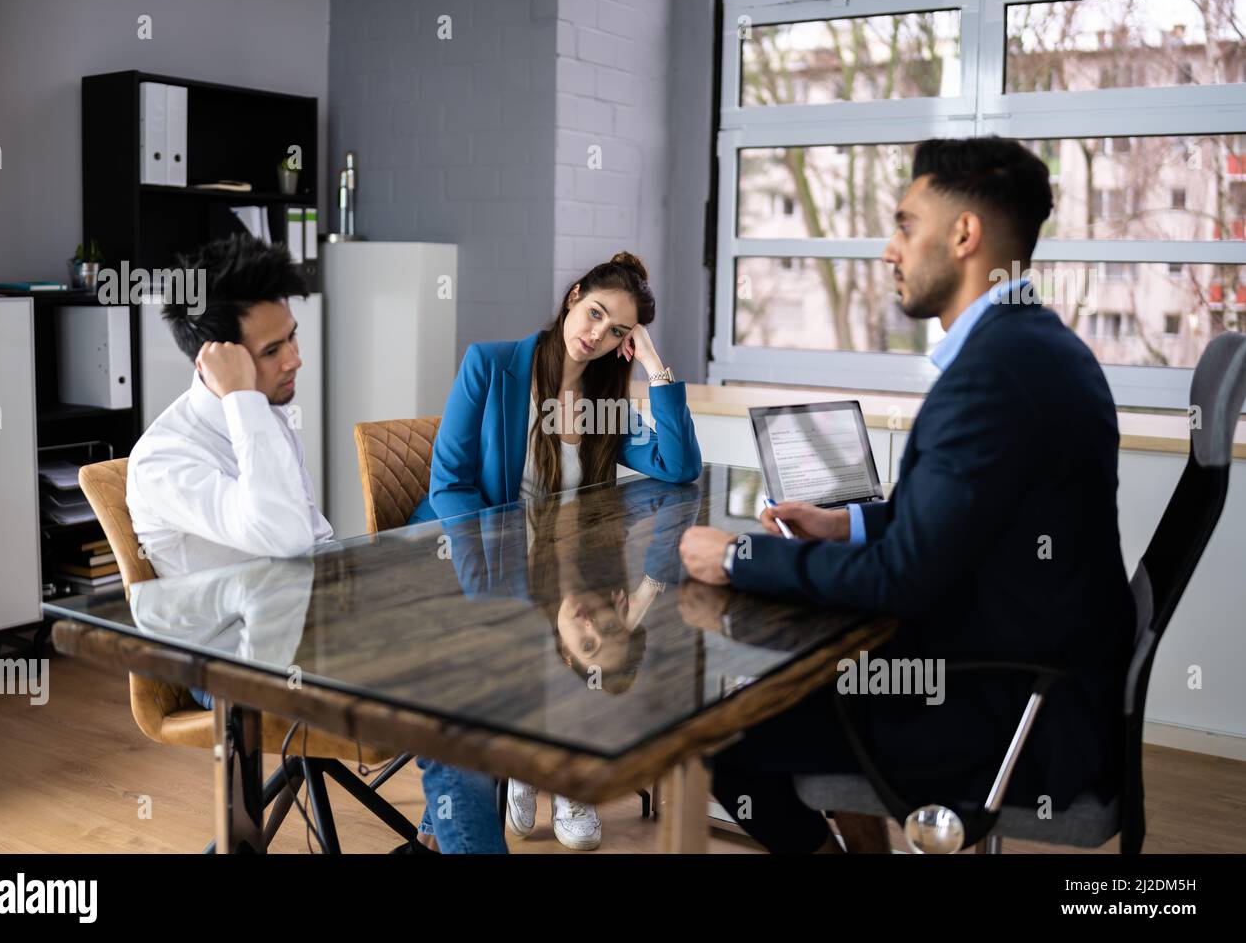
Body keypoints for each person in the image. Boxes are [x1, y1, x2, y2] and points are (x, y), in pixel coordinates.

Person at [678, 137, 1134, 853]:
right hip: (1038, 685)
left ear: (964, 235)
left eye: (904, 224)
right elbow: (970, 522)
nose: (890, 250)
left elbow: (901, 580)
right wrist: (844, 526)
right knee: (789, 694)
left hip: (1004, 712)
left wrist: (737, 555)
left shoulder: (993, 374)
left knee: (723, 738)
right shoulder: (1040, 348)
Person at [409, 251, 703, 853]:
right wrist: (482, 589)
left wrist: (653, 365)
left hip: (563, 570)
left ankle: (539, 768)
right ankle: (533, 770)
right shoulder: (491, 366)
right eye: (595, 314)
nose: (598, 336)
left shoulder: (605, 398)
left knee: (608, 641)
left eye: (618, 330)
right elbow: (450, 484)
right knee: (562, 639)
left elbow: (680, 467)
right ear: (574, 297)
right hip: (472, 564)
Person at [127, 234, 331, 709]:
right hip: (238, 664)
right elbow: (285, 539)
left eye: (293, 336)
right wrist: (241, 399)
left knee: (470, 637)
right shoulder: (165, 459)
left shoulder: (264, 417)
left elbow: (313, 541)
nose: (295, 358)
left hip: (308, 627)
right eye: (272, 350)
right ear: (219, 360)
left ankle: (517, 781)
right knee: (436, 686)